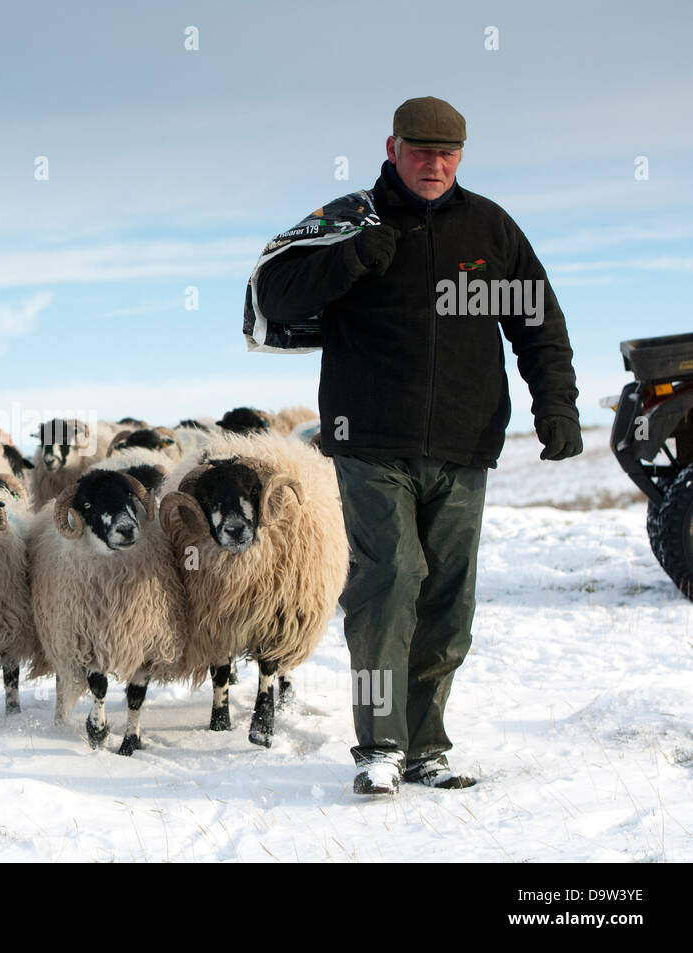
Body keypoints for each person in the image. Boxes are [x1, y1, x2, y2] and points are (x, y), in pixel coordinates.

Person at [252, 96, 581, 795]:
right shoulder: (351, 219)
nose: (435, 164)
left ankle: (426, 745)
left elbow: (539, 322)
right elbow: (273, 295)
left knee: (448, 602)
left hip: (465, 445)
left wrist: (557, 404)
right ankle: (380, 744)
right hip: (368, 440)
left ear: (462, 155)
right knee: (389, 580)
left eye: (449, 153)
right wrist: (349, 261)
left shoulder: (489, 227)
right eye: (422, 150)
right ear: (392, 146)